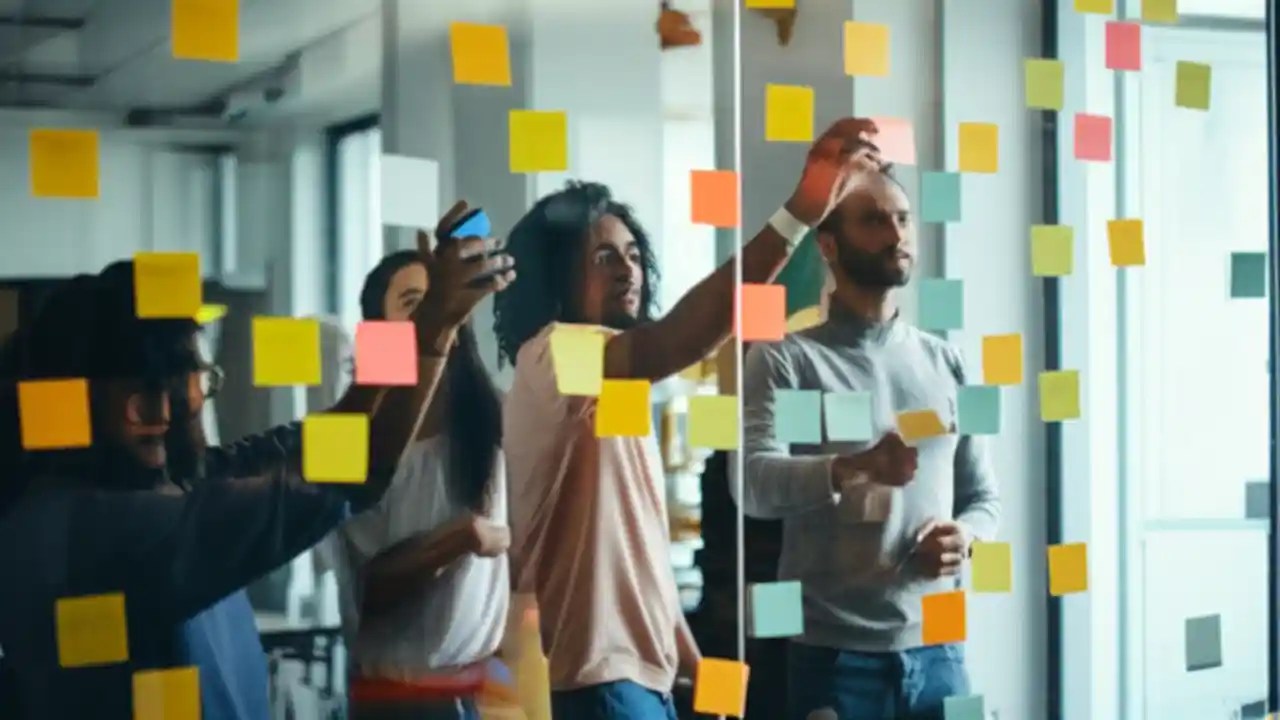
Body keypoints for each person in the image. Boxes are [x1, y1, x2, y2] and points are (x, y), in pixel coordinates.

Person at [0, 201, 514, 719]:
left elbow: (325, 444)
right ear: (142, 409)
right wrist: (432, 332)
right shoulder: (113, 531)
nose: (203, 398)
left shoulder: (116, 496)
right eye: (198, 381)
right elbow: (356, 470)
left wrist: (418, 336)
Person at [493, 117, 885, 720]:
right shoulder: (550, 356)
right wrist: (798, 214)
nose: (627, 270)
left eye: (632, 254)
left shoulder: (609, 392)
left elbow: (640, 562)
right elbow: (679, 339)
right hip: (603, 687)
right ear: (554, 277)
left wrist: (706, 682)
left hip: (640, 685)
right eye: (602, 256)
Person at [736, 162, 1001, 719]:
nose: (896, 234)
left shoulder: (948, 361)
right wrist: (851, 467)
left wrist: (965, 537)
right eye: (875, 220)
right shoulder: (786, 359)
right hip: (832, 657)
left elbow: (985, 498)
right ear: (828, 245)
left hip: (941, 652)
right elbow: (752, 484)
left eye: (903, 218)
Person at [323, 250, 510, 720]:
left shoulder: (492, 424)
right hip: (397, 699)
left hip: (483, 691)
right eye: (413, 304)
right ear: (378, 330)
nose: (434, 316)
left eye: (440, 300)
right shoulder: (351, 439)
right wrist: (459, 538)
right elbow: (366, 591)